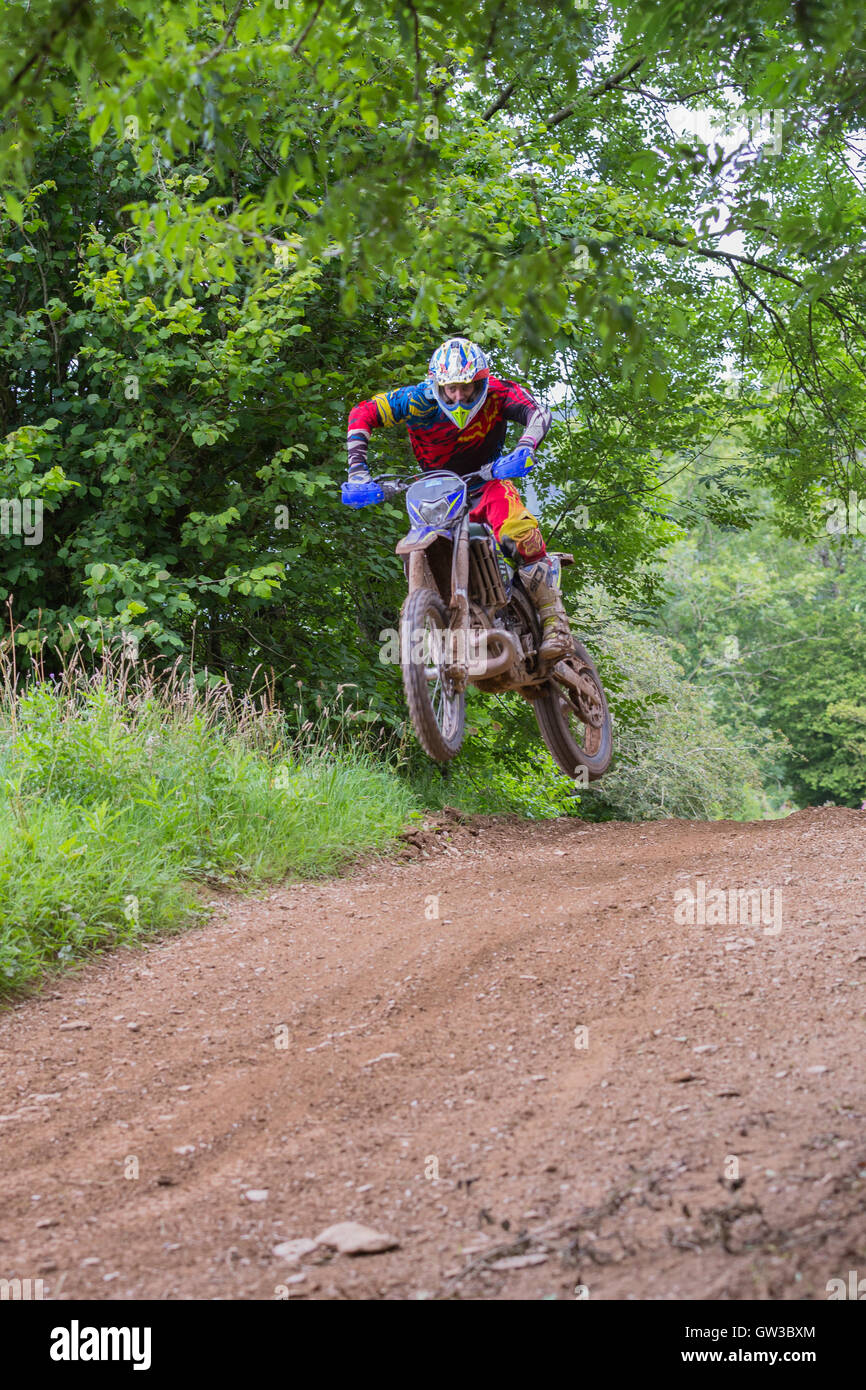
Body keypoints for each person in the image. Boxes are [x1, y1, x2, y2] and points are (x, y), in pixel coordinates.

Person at [345, 336, 573, 661]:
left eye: (467, 387)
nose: (458, 395)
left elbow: (538, 414)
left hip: (488, 480)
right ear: (436, 384)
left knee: (518, 529)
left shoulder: (497, 393)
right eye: (450, 388)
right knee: (419, 550)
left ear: (481, 381)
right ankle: (436, 626)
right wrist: (357, 472)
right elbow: (363, 412)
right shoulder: (416, 400)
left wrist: (524, 448)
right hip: (438, 491)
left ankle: (555, 623)